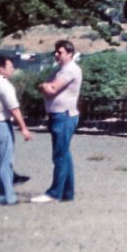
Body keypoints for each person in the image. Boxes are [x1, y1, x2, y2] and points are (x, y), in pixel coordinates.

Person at [33, 40, 82, 203]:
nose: (56, 54)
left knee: (59, 155)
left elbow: (51, 89)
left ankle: (54, 193)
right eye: (55, 51)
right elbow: (47, 88)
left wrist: (45, 86)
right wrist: (45, 87)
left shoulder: (69, 71)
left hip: (64, 115)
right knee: (64, 154)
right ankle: (67, 193)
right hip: (58, 115)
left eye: (59, 52)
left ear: (69, 53)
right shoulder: (59, 70)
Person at [0, 53, 33, 205]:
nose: (13, 69)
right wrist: (23, 128)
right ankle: (8, 196)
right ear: (1, 69)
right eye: (10, 67)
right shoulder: (4, 84)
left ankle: (0, 193)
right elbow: (14, 109)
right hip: (1, 124)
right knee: (5, 161)